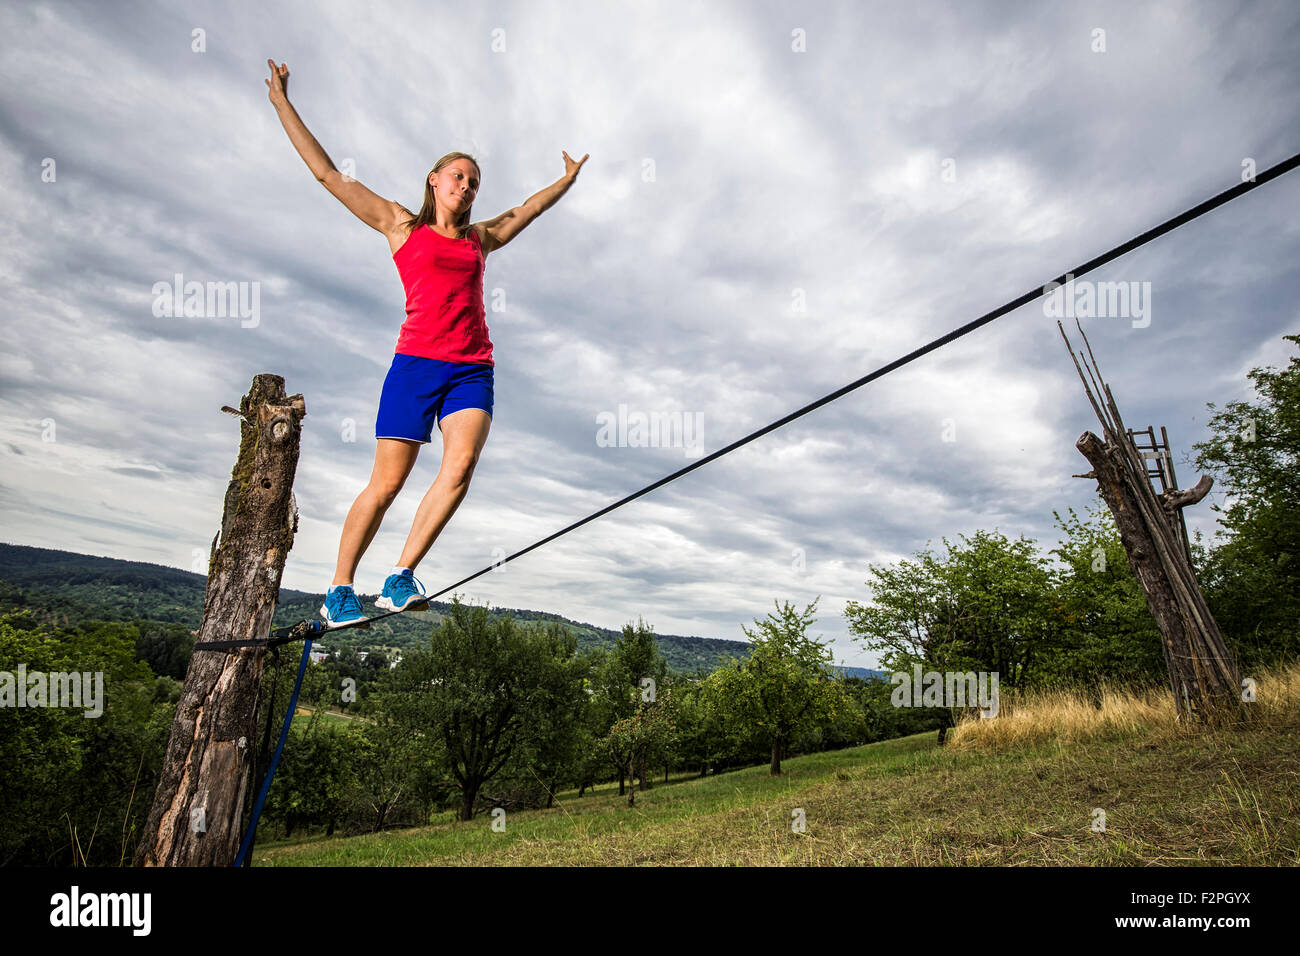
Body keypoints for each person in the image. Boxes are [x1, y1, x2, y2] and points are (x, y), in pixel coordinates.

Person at [265, 58, 588, 626]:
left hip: (471, 368)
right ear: (435, 180)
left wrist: (564, 181)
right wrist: (283, 104)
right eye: (458, 176)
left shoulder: (480, 240)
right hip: (414, 365)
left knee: (459, 468)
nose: (467, 187)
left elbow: (527, 210)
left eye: (474, 183)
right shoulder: (399, 226)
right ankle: (339, 587)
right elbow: (328, 176)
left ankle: (399, 577)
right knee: (387, 483)